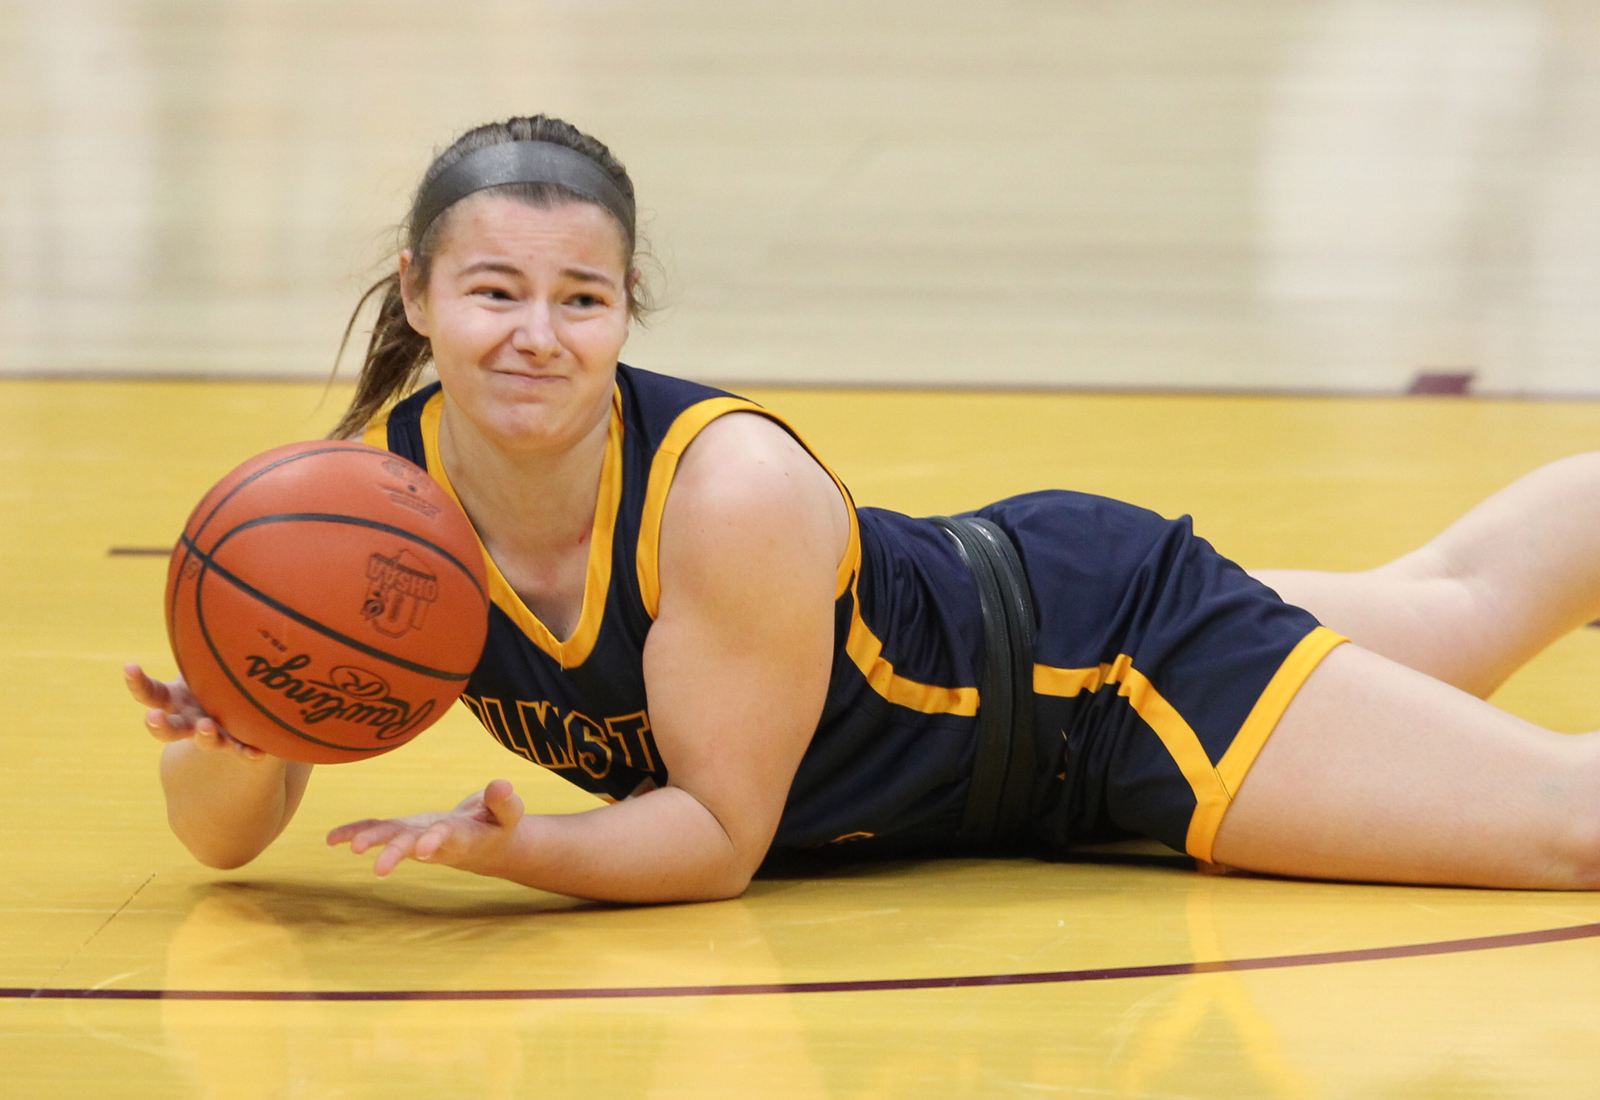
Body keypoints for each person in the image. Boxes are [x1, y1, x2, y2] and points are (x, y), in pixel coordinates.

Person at [126, 116, 1600, 904]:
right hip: (1025, 613)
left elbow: (711, 836)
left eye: (582, 298)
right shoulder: (359, 512)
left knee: (1567, 827)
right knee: (1466, 600)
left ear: (626, 308)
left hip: (1099, 679)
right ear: (421, 297)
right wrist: (233, 736)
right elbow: (227, 839)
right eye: (495, 291)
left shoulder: (727, 490)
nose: (538, 334)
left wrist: (512, 848)